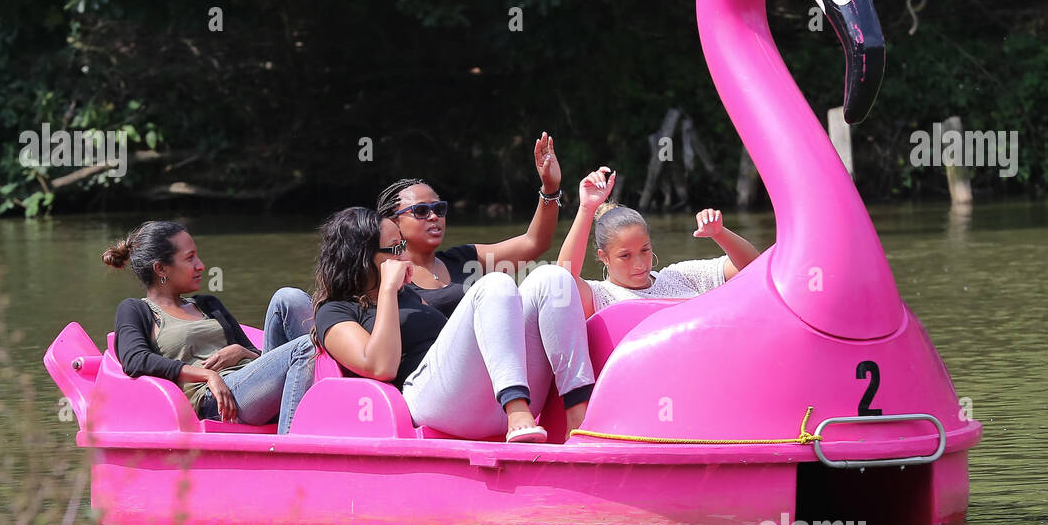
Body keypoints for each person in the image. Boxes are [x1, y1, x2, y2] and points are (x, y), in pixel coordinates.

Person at [311, 207, 594, 443]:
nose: (406, 256)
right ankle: (516, 408)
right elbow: (381, 368)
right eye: (396, 248)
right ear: (363, 258)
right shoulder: (334, 311)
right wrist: (386, 291)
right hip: (427, 401)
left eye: (404, 246)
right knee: (495, 284)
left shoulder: (407, 292)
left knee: (553, 278)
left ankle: (577, 414)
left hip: (483, 395)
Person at [102, 220, 316, 434]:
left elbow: (261, 358)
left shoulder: (208, 304)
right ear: (161, 268)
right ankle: (291, 444)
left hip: (250, 383)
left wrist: (241, 351)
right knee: (307, 345)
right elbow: (135, 360)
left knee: (288, 297)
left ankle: (335, 397)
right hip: (217, 399)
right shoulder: (136, 309)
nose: (201, 265)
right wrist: (207, 375)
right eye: (189, 258)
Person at [374, 131, 566, 318]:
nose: (434, 217)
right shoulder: (386, 278)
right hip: (431, 350)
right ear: (393, 222)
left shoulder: (465, 259)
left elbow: (535, 242)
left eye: (439, 209)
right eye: (421, 211)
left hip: (484, 347)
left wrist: (550, 189)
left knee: (548, 278)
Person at [557, 167, 761, 317]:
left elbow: (752, 267)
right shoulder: (600, 296)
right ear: (604, 257)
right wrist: (586, 208)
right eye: (625, 255)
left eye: (644, 250)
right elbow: (561, 281)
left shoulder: (678, 276)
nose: (639, 263)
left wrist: (720, 233)